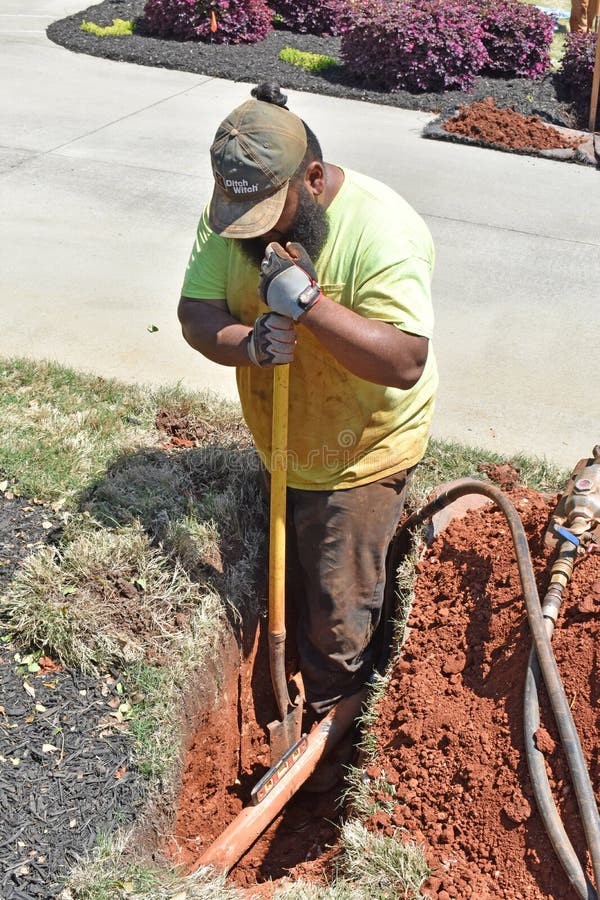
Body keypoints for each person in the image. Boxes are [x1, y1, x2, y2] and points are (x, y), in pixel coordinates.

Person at [178, 81, 438, 786]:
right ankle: (288, 689)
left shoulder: (382, 229)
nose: (252, 234)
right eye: (241, 219)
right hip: (284, 445)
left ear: (313, 181)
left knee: (335, 620)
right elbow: (196, 313)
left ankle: (326, 760)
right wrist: (249, 344)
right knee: (288, 595)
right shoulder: (234, 213)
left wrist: (311, 305)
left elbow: (405, 361)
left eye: (270, 215)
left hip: (362, 451)